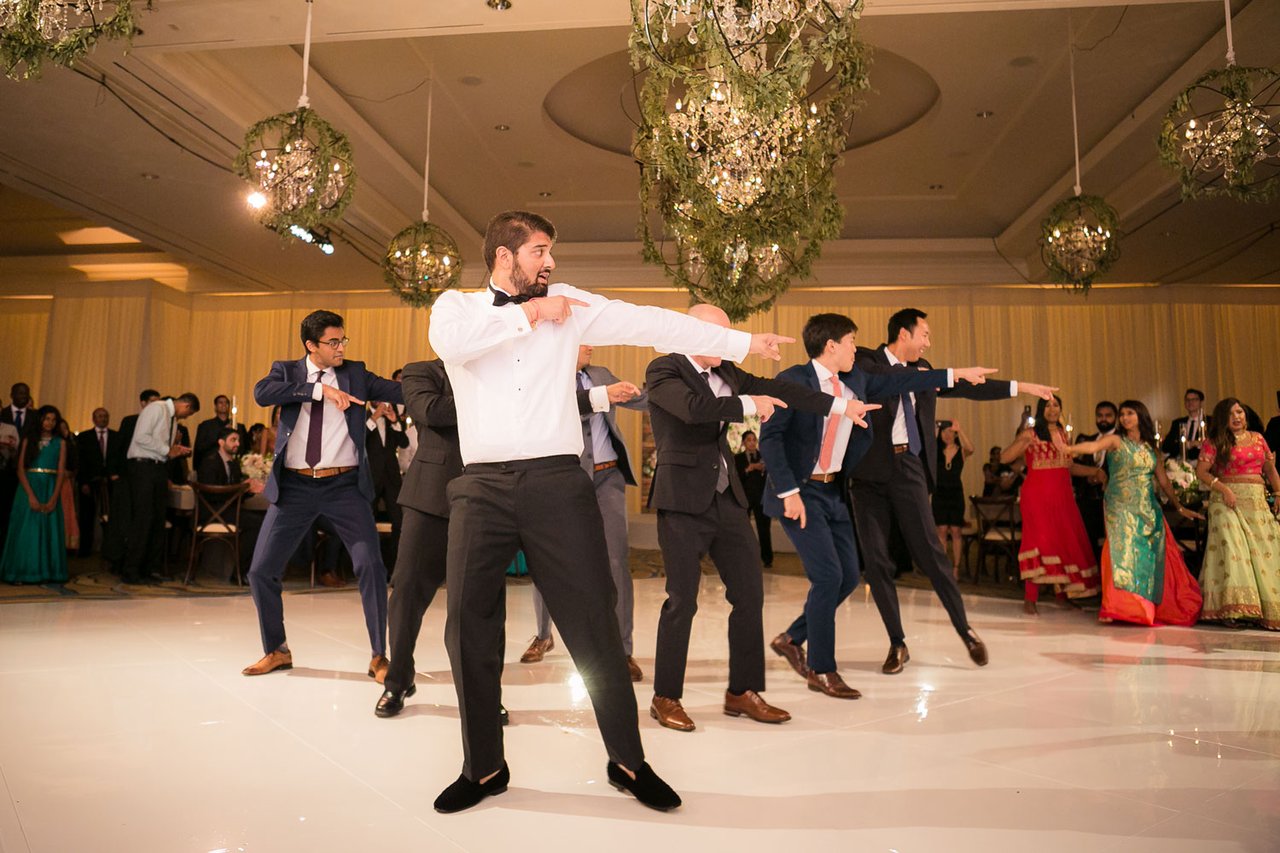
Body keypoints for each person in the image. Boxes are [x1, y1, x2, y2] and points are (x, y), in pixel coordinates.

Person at [426, 210, 792, 814]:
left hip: (558, 485)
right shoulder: (456, 307)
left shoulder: (569, 302)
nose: (550, 263)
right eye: (540, 250)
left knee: (595, 626)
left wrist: (742, 343)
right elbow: (453, 347)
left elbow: (648, 321)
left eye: (551, 251)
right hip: (481, 486)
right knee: (467, 627)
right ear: (503, 256)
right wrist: (529, 315)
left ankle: (628, 761)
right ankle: (484, 767)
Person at [646, 304, 863, 729]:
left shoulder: (727, 371)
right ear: (692, 334)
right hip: (683, 500)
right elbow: (693, 408)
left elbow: (780, 389)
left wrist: (839, 408)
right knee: (682, 602)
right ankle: (665, 696)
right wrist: (748, 402)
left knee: (749, 596)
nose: (727, 346)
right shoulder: (663, 369)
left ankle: (742, 692)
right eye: (719, 337)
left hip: (727, 499)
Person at [760, 312, 996, 692]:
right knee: (828, 577)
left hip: (834, 491)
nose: (858, 348)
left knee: (850, 575)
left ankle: (790, 639)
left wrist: (955, 374)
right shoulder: (792, 381)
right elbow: (770, 439)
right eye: (852, 341)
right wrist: (788, 493)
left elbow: (906, 378)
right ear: (832, 345)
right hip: (801, 492)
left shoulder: (858, 380)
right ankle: (822, 670)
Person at [851, 308, 1056, 675]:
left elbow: (967, 387)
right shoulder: (865, 360)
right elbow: (887, 380)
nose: (928, 342)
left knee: (931, 554)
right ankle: (897, 643)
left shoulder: (926, 369)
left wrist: (1021, 387)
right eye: (924, 334)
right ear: (903, 333)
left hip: (909, 467)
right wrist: (944, 374)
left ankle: (966, 632)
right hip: (868, 474)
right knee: (877, 561)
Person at [241, 310, 404, 681]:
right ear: (311, 346)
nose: (341, 347)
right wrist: (319, 390)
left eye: (343, 340)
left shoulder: (356, 374)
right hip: (295, 487)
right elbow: (261, 393)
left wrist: (448, 377)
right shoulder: (285, 371)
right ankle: (276, 650)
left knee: (371, 566)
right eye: (333, 342)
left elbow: (398, 389)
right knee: (261, 570)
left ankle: (380, 656)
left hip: (343, 487)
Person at [522, 345, 648, 680]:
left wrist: (670, 386)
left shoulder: (601, 374)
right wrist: (599, 396)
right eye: (583, 341)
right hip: (564, 480)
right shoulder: (546, 379)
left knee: (617, 561)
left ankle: (624, 651)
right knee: (546, 559)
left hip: (608, 477)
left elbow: (639, 399)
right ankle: (544, 635)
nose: (591, 346)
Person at [1058, 400, 1202, 626]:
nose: (1124, 418)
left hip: (1148, 509)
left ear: (1140, 416)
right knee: (1122, 552)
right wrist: (1070, 449)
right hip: (1120, 506)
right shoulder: (1116, 440)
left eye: (1130, 413)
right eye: (1122, 414)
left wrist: (1179, 506)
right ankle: (1124, 607)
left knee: (1147, 556)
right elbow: (1093, 447)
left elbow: (1163, 481)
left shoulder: (1150, 449)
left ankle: (1145, 607)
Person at [376, 359, 462, 717]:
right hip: (428, 494)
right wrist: (492, 395)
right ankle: (398, 680)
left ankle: (483, 692)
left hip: (483, 495)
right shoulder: (421, 372)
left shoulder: (498, 368)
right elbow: (431, 410)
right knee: (407, 590)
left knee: (478, 602)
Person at [1000, 394, 1101, 614]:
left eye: (1056, 405)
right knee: (1039, 541)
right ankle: (1030, 598)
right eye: (1047, 405)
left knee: (1062, 541)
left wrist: (1095, 471)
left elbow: (1069, 467)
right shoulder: (1031, 434)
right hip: (1037, 496)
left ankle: (1062, 595)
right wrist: (1023, 440)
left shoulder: (1064, 435)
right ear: (1040, 410)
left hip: (1062, 495)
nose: (1053, 409)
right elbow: (1004, 458)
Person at [1195, 397, 1280, 630]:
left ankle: (1265, 608)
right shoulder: (1214, 442)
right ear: (1223, 418)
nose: (1237, 417)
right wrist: (1223, 489)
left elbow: (1270, 471)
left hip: (1255, 502)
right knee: (1234, 549)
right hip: (1225, 501)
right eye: (1231, 413)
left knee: (1263, 551)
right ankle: (1233, 608)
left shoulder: (1258, 439)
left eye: (1240, 412)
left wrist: (1278, 494)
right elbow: (1201, 471)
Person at [118, 393, 199, 584]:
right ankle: (131, 569)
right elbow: (141, 438)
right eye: (188, 413)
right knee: (143, 518)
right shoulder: (156, 408)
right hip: (143, 467)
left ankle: (150, 569)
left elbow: (162, 448)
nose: (186, 417)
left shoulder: (172, 419)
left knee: (157, 518)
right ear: (186, 406)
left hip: (158, 468)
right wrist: (167, 450)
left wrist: (174, 450)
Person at [0, 405, 69, 585]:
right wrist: (30, 495)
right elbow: (21, 469)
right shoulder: (28, 440)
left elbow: (61, 472)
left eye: (53, 420)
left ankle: (47, 571)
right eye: (47, 419)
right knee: (26, 529)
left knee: (48, 529)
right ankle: (22, 571)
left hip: (50, 486)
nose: (50, 423)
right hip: (28, 487)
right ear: (40, 419)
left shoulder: (60, 443)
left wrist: (54, 498)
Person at [365, 399, 408, 570]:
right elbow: (359, 439)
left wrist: (394, 422)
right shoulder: (362, 415)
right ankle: (369, 566)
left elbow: (404, 442)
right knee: (367, 521)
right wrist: (374, 418)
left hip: (391, 478)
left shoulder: (392, 416)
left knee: (399, 521)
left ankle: (394, 568)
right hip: (370, 477)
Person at [1073, 400, 1118, 559]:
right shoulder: (1088, 440)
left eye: (1108, 416)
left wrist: (1104, 477)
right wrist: (1088, 477)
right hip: (1087, 501)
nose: (1103, 419)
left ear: (1115, 418)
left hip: (1112, 500)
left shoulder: (1121, 441)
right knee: (1088, 542)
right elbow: (1074, 468)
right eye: (1099, 416)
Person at [74, 408, 120, 557]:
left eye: (105, 416)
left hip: (111, 482)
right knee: (87, 515)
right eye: (100, 416)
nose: (103, 419)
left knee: (111, 516)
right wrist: (83, 482)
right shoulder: (84, 437)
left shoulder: (116, 436)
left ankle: (109, 549)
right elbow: (80, 461)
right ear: (94, 419)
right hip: (90, 481)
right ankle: (85, 549)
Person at [933, 419, 974, 577]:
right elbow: (928, 444)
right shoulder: (936, 451)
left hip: (956, 494)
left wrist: (960, 430)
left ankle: (956, 567)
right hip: (939, 494)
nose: (948, 435)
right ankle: (944, 568)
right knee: (941, 530)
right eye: (945, 432)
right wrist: (936, 429)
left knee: (956, 531)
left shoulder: (961, 451)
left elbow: (971, 448)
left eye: (951, 432)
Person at [0, 383, 33, 553]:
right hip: (3, 473)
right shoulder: (2, 414)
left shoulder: (35, 417)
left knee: (21, 513)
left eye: (26, 393)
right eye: (20, 393)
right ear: (11, 394)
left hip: (27, 474)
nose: (23, 396)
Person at [734, 430, 773, 568]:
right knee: (742, 529)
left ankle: (767, 559)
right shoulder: (738, 458)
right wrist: (748, 469)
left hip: (762, 498)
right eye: (749, 440)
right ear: (744, 442)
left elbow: (771, 476)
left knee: (764, 529)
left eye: (754, 439)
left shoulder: (763, 456)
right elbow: (736, 478)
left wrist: (763, 469)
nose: (752, 442)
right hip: (745, 498)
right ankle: (742, 556)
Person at [194, 395, 248, 469]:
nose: (224, 405)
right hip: (211, 466)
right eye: (220, 402)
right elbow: (199, 448)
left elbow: (245, 447)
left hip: (234, 466)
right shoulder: (206, 425)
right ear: (215, 406)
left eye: (226, 403)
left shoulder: (239, 427)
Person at [1161, 387, 1210, 461]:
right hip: (1179, 462)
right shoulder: (1177, 423)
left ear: (1201, 402)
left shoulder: (1210, 421)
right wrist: (1189, 444)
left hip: (1201, 461)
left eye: (1194, 400)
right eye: (1187, 400)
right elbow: (1166, 447)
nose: (1190, 402)